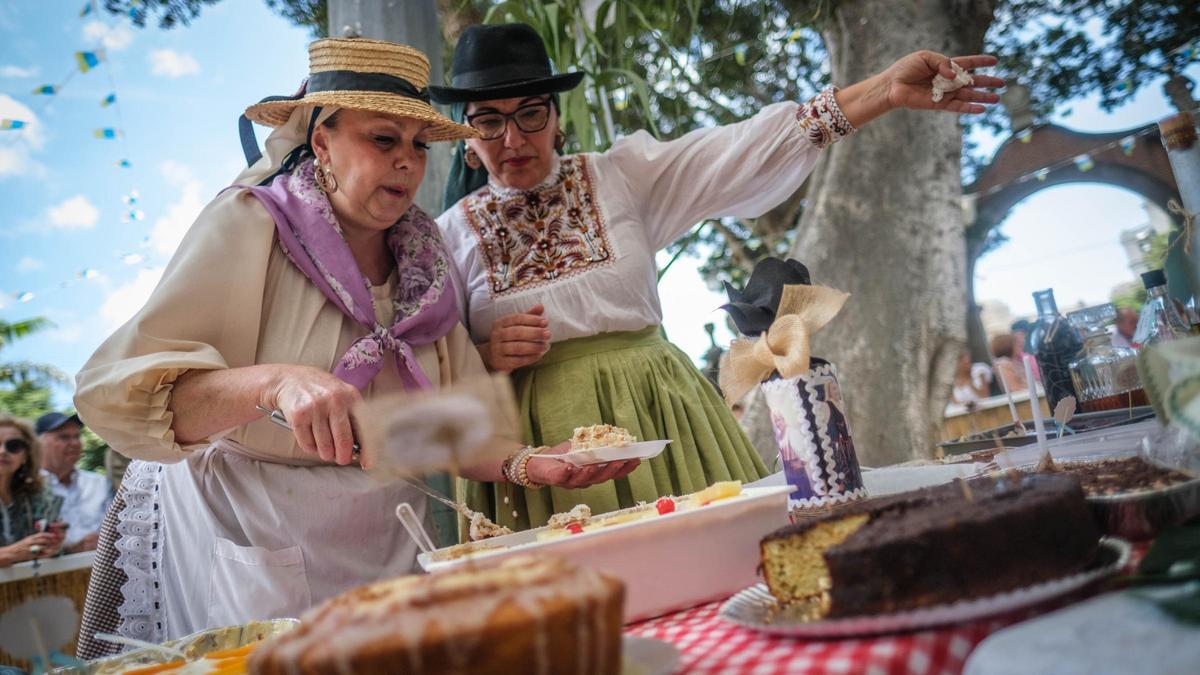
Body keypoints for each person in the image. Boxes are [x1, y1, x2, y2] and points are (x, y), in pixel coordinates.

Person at [72, 38, 637, 657]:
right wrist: (275, 383)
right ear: (321, 143)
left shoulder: (426, 261)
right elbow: (142, 402)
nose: (407, 163)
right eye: (383, 139)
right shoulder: (250, 223)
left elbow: (446, 427)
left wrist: (530, 464)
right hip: (254, 525)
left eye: (419, 146)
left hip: (384, 531)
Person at [433, 23, 1004, 530]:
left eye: (530, 112)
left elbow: (743, 148)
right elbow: (424, 377)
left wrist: (883, 91)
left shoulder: (621, 177)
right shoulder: (444, 238)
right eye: (488, 120)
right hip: (534, 448)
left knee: (720, 569)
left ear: (556, 119)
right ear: (467, 137)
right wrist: (483, 355)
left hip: (661, 419)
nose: (512, 139)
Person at [35, 411, 111, 553]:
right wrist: (71, 550)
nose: (75, 443)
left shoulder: (99, 483)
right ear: (38, 444)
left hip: (103, 570)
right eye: (64, 437)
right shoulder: (28, 487)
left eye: (77, 436)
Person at [0, 415, 65, 567]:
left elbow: (49, 554)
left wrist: (53, 547)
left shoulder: (38, 493)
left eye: (14, 445)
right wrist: (12, 552)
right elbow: (19, 552)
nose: (3, 451)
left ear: (26, 456)